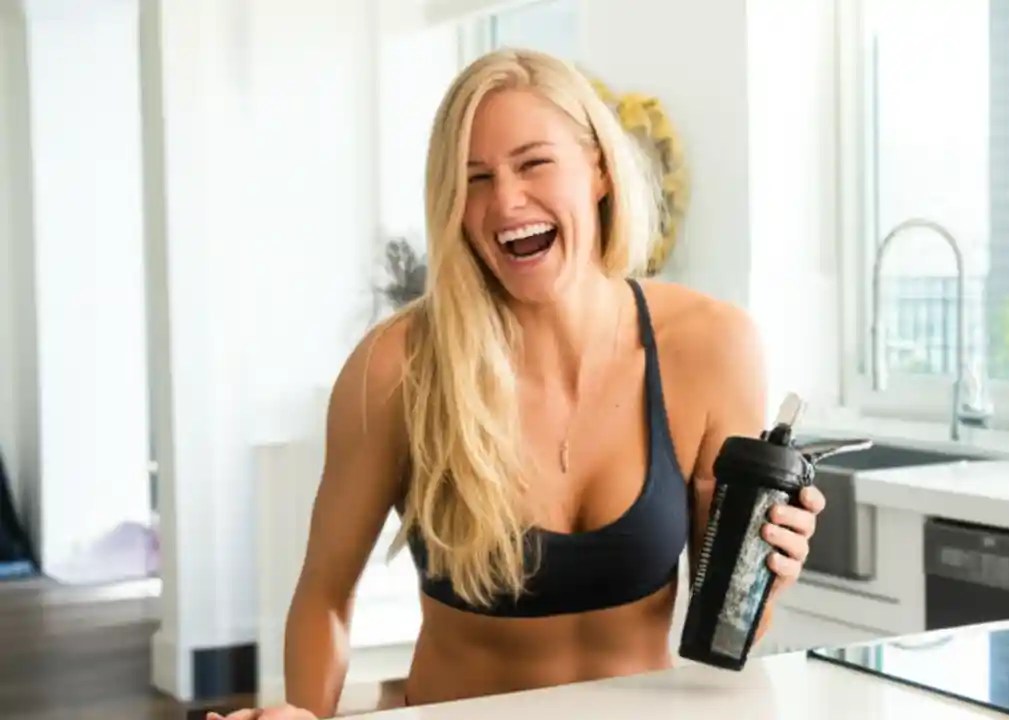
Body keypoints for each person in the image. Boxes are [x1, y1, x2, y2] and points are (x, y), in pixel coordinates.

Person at [210, 48, 825, 720]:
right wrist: (305, 712)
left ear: (597, 167)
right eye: (473, 178)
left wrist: (764, 577)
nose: (505, 201)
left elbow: (723, 628)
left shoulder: (711, 347)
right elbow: (324, 593)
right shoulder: (397, 369)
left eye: (534, 163)